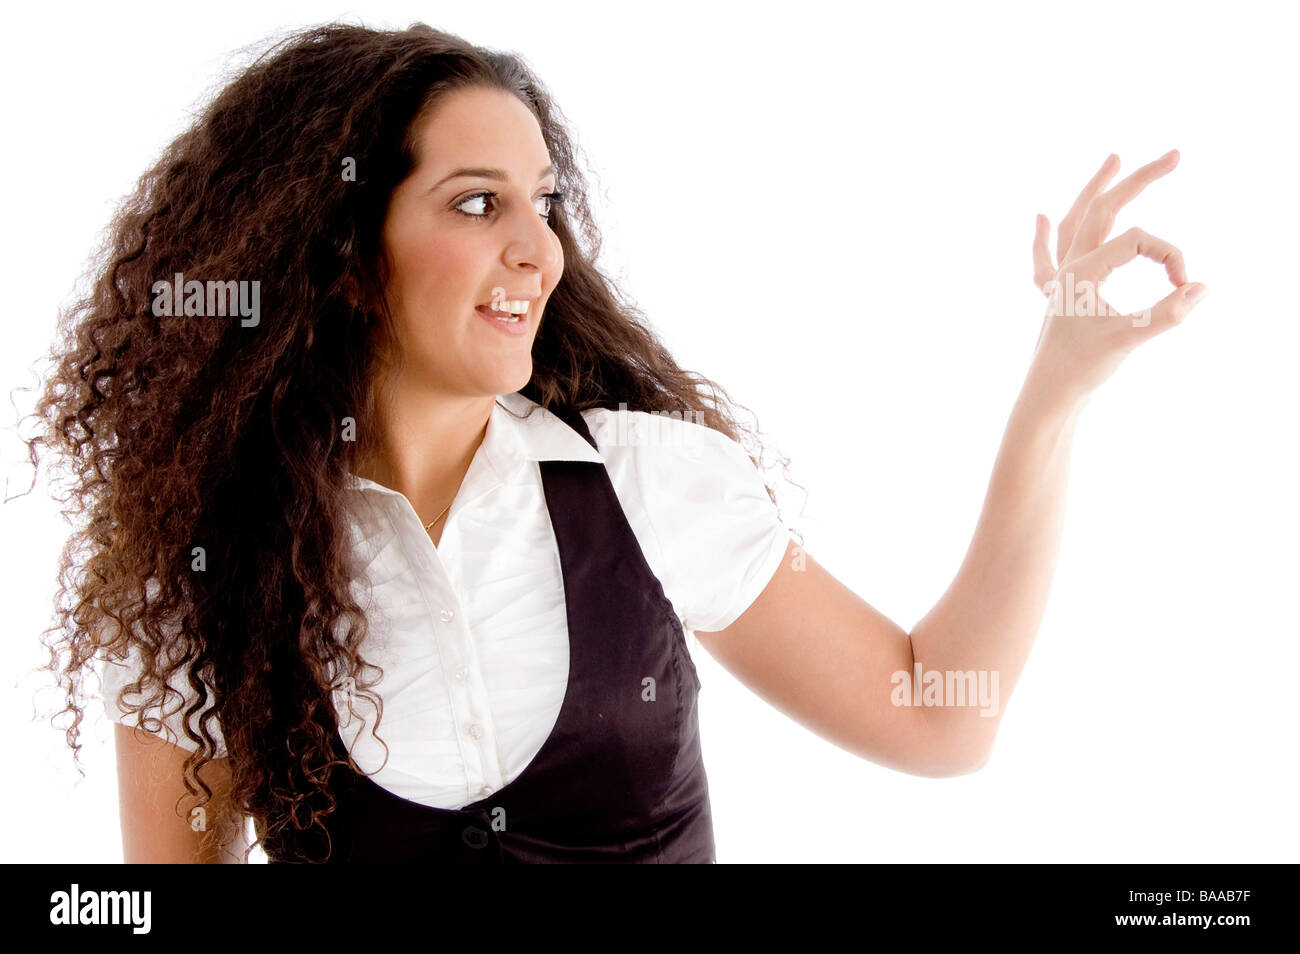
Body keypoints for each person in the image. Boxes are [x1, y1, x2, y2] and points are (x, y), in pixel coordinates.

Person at [24, 22, 1206, 864]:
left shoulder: (644, 485)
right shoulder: (209, 577)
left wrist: (1053, 396)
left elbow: (941, 719)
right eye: (478, 202)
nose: (540, 250)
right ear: (341, 259)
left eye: (544, 203)